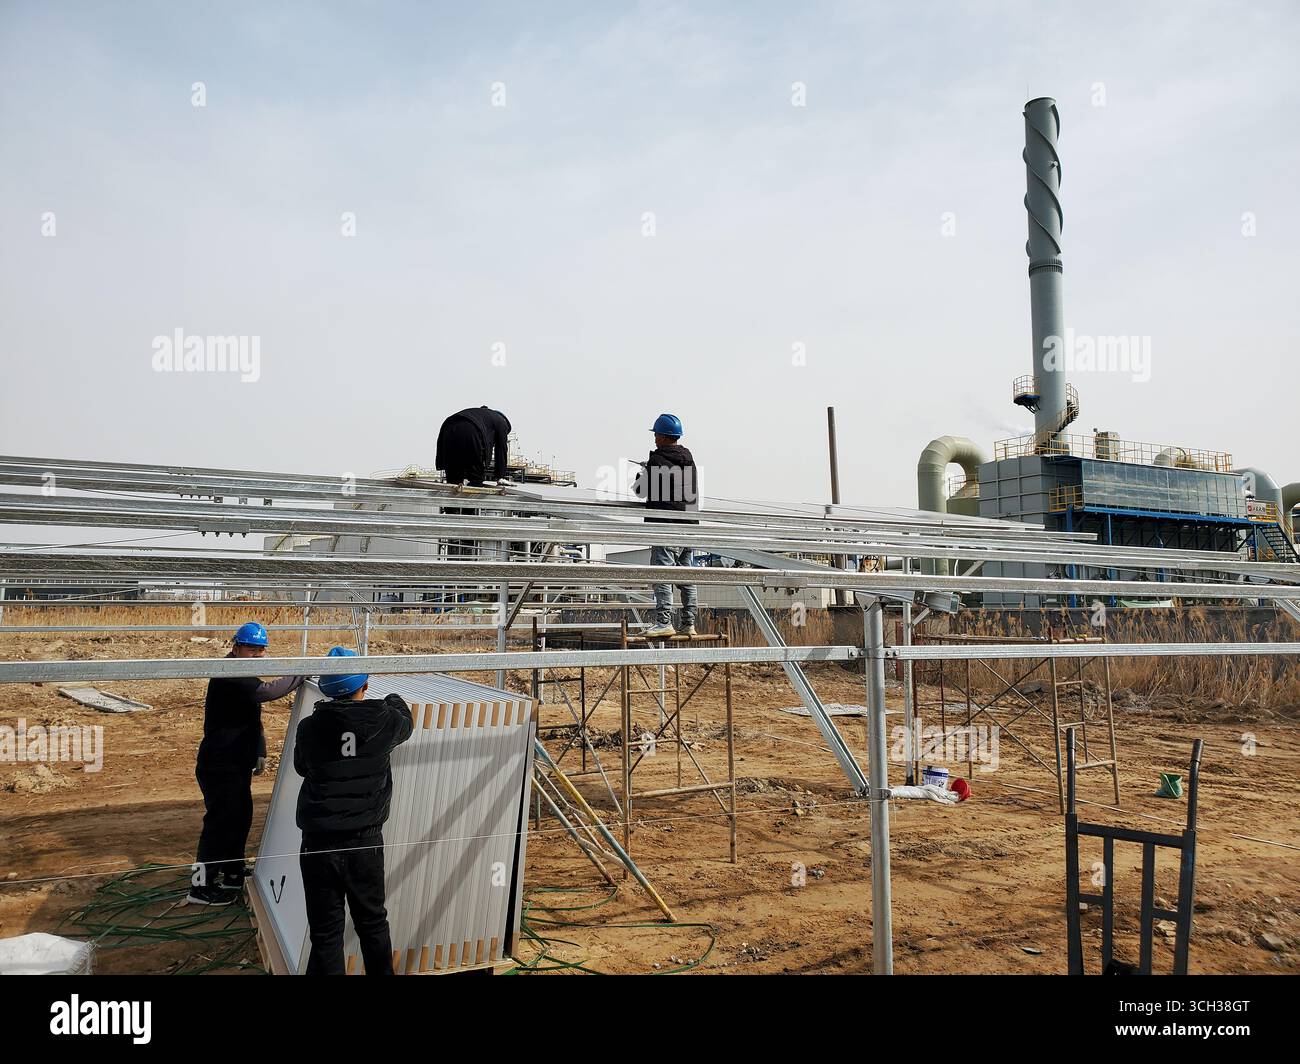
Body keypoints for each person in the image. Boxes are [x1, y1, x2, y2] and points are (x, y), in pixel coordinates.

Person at [294, 647, 413, 975]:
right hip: (364, 842)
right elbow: (407, 722)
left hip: (318, 843)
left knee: (326, 932)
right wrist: (392, 698)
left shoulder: (309, 728)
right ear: (364, 685)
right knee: (372, 922)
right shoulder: (385, 720)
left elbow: (302, 767)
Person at [188, 622, 305, 906]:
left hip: (236, 761)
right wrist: (301, 673)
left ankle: (232, 873)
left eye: (261, 649)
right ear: (236, 646)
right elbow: (265, 692)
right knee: (219, 823)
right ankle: (200, 886)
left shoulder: (243, 671)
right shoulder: (230, 672)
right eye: (252, 648)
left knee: (239, 819)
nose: (258, 654)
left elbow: (253, 716)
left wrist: (260, 750)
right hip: (219, 763)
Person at [633, 413, 700, 639]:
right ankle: (688, 623)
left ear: (662, 436)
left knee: (662, 574)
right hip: (689, 528)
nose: (654, 439)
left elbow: (640, 491)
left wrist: (643, 473)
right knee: (686, 577)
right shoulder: (689, 461)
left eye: (656, 434)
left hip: (666, 527)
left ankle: (664, 622)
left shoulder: (658, 460)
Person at [435, 406, 512, 486]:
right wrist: (500, 476)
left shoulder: (482, 414)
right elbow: (501, 449)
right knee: (476, 478)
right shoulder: (502, 422)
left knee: (453, 479)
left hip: (447, 428)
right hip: (471, 429)